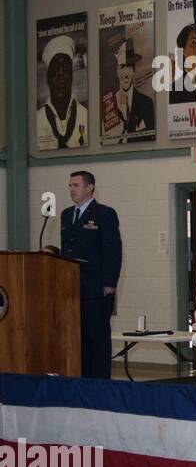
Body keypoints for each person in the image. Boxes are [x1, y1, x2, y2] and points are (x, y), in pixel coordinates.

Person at [60, 170, 122, 379]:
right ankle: (83, 379)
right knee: (79, 338)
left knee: (97, 337)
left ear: (90, 187)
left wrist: (109, 282)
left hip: (97, 287)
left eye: (75, 185)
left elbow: (112, 249)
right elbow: (66, 250)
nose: (71, 190)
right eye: (70, 185)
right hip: (73, 287)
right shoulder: (67, 215)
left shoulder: (104, 214)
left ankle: (100, 383)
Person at [36, 35, 89, 150]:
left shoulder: (86, 117)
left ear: (71, 76)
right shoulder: (37, 122)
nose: (60, 75)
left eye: (65, 68)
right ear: (48, 78)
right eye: (55, 69)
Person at [101, 37, 155, 142]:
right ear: (117, 71)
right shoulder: (108, 105)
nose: (125, 73)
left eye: (129, 66)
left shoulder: (146, 103)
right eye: (122, 67)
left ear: (134, 70)